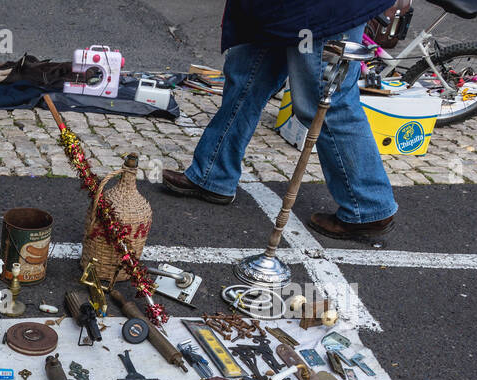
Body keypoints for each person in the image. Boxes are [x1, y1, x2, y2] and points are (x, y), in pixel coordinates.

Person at [162, 0, 399, 241]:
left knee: (326, 103)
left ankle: (368, 207)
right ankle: (212, 174)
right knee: (248, 75)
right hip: (276, 9)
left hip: (320, 10)